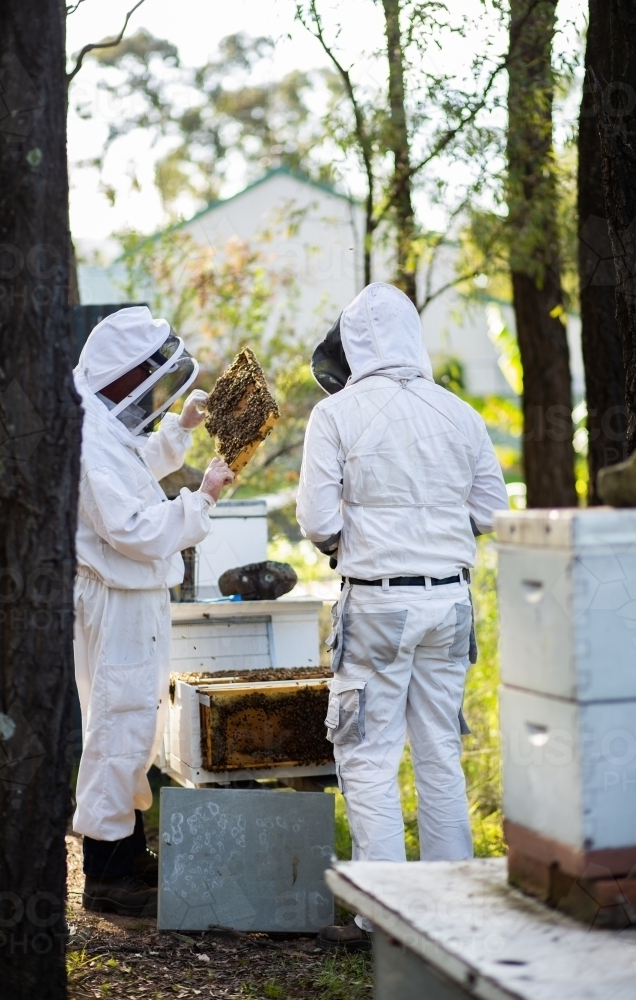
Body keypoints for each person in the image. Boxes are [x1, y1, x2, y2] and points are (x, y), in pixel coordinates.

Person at [297, 283, 508, 949]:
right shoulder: (460, 414)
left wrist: (352, 535)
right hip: (449, 603)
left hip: (378, 603)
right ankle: (450, 907)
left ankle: (384, 918)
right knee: (439, 752)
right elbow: (491, 511)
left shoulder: (335, 415)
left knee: (368, 756)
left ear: (354, 343)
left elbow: (316, 520)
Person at [72, 306, 234, 917]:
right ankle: (107, 877)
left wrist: (181, 430)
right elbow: (133, 527)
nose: (149, 383)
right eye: (144, 371)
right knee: (119, 724)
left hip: (130, 595)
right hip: (117, 595)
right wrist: (205, 497)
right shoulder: (85, 436)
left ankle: (126, 851)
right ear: (120, 372)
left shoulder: (97, 422)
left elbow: (132, 468)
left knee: (131, 724)